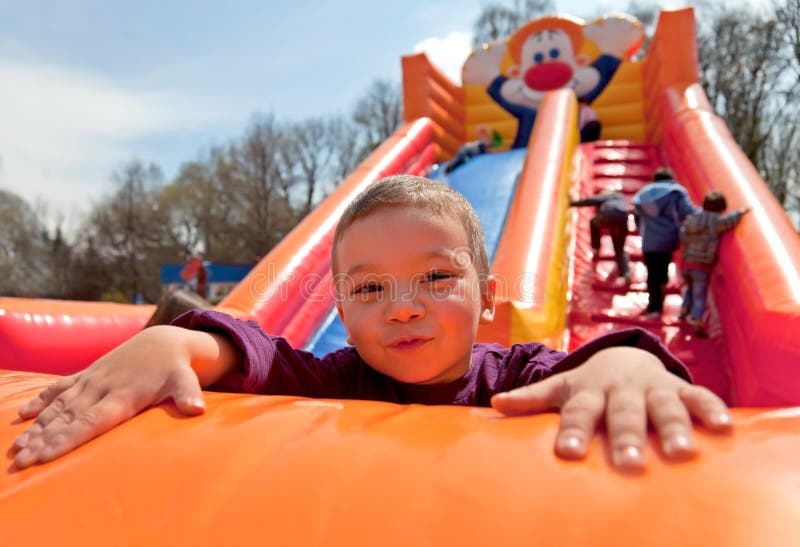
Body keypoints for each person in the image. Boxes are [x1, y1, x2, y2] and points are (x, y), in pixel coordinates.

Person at [10, 175, 731, 472]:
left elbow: (583, 367)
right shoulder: (335, 381)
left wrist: (624, 364)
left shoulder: (513, 376)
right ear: (343, 312)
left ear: (486, 298)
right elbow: (260, 353)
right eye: (370, 287)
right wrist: (178, 338)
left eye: (437, 277)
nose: (403, 305)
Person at [632, 168, 700, 319]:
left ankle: (654, 308)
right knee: (662, 268)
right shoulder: (676, 193)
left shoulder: (643, 196)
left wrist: (643, 230)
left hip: (650, 240)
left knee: (652, 275)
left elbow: (637, 217)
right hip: (669, 238)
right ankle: (663, 283)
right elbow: (688, 211)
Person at [679, 191, 750, 336]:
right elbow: (728, 221)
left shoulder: (692, 218)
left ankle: (683, 311)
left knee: (690, 289)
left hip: (687, 262)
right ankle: (697, 322)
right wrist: (741, 212)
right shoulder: (716, 221)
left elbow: (683, 235)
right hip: (701, 265)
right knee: (699, 294)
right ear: (721, 207)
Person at [569, 191, 630, 283]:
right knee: (620, 248)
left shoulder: (608, 195)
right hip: (622, 218)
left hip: (608, 215)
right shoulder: (620, 197)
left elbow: (591, 201)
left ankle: (596, 247)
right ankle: (626, 273)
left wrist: (572, 203)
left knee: (593, 222)